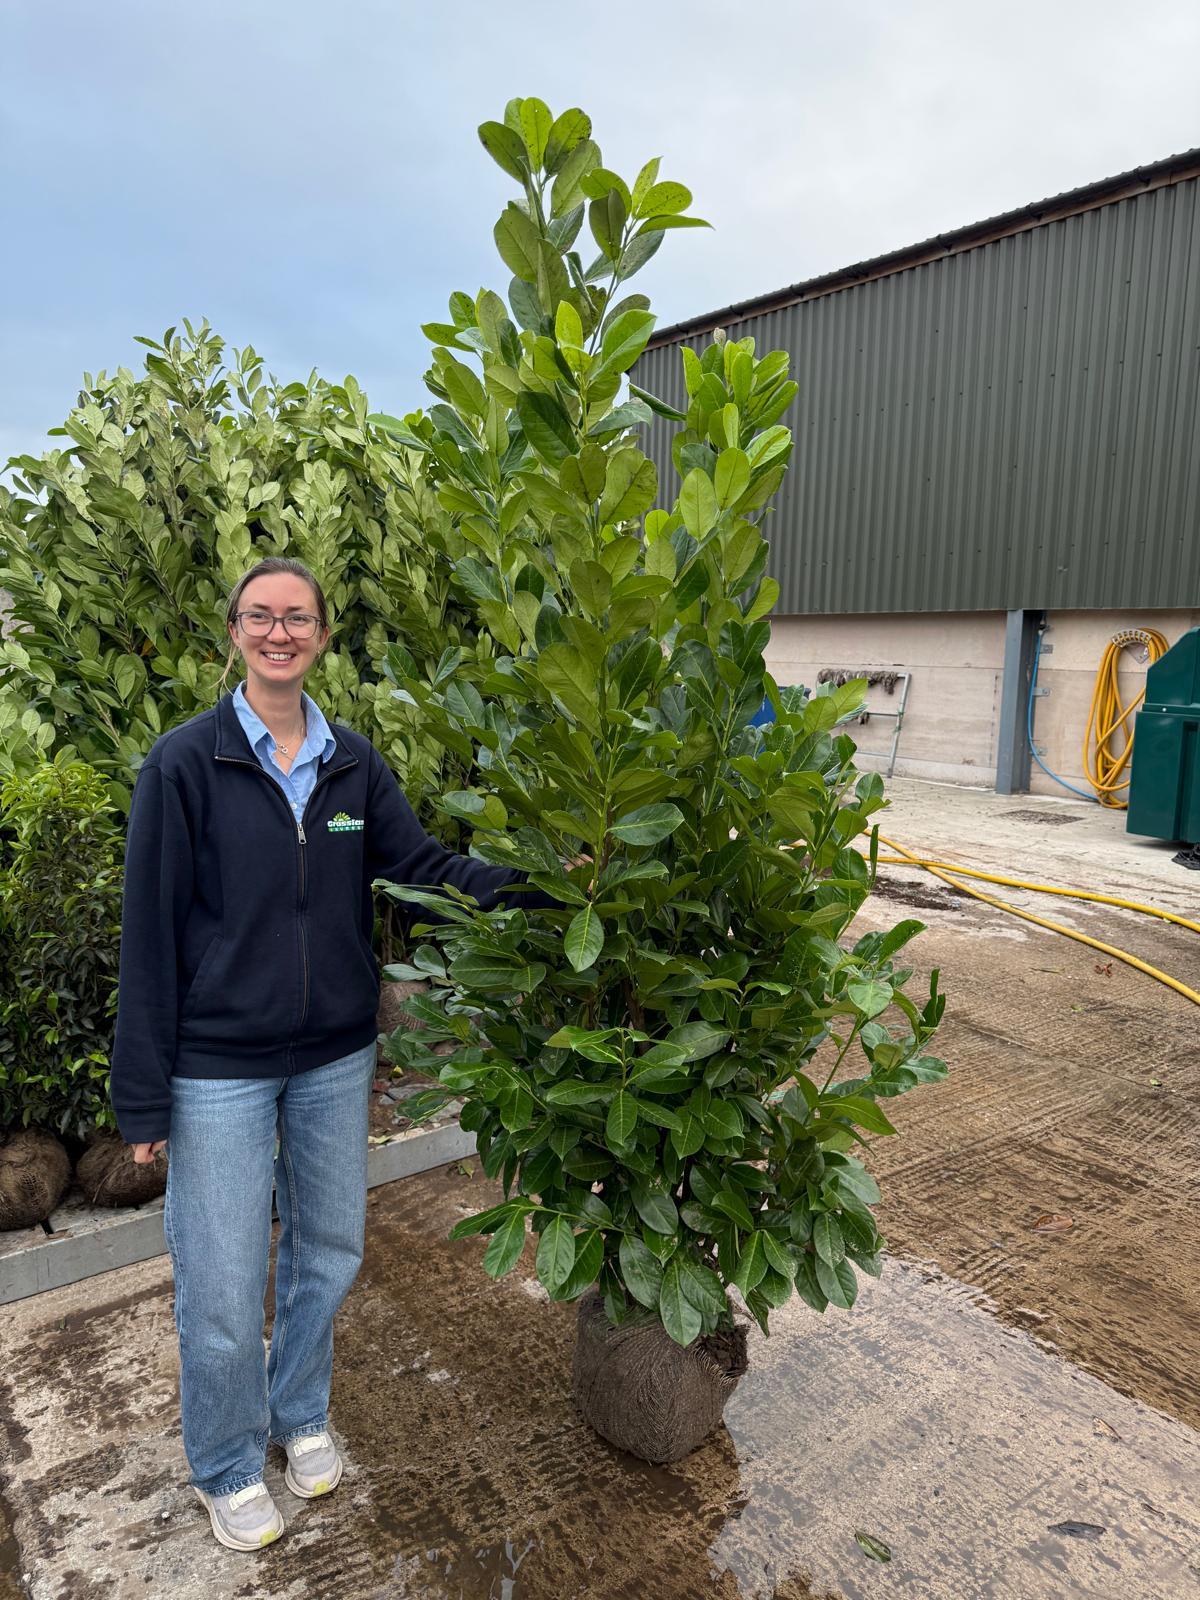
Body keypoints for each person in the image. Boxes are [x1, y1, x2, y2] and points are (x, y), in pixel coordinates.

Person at [111, 556, 540, 1552]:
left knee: (329, 1247)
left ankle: (297, 1412)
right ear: (235, 632)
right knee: (220, 1282)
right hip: (217, 1064)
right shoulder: (186, 764)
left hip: (335, 1058)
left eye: (297, 616)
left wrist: (544, 892)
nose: (279, 631)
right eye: (261, 615)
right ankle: (225, 1460)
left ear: (322, 637)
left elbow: (426, 868)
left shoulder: (353, 766)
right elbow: (149, 932)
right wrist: (144, 1099)